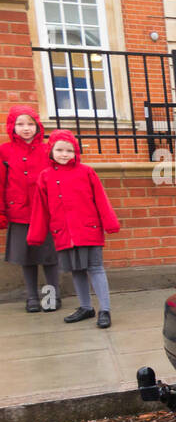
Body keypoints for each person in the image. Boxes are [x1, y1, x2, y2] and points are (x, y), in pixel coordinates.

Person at [26, 131, 119, 329]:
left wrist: (110, 223)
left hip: (88, 230)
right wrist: (36, 234)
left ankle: (105, 310)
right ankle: (86, 307)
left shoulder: (86, 172)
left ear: (76, 152)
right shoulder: (45, 177)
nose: (64, 154)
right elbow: (40, 208)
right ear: (50, 151)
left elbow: (101, 200)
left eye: (69, 150)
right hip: (63, 233)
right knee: (76, 270)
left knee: (95, 268)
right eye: (59, 150)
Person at [1, 105, 60, 312]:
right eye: (20, 124)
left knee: (50, 257)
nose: (26, 128)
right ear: (12, 126)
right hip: (19, 213)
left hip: (46, 212)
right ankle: (32, 297)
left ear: (38, 126)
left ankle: (52, 296)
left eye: (30, 124)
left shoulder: (48, 149)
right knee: (27, 258)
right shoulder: (4, 151)